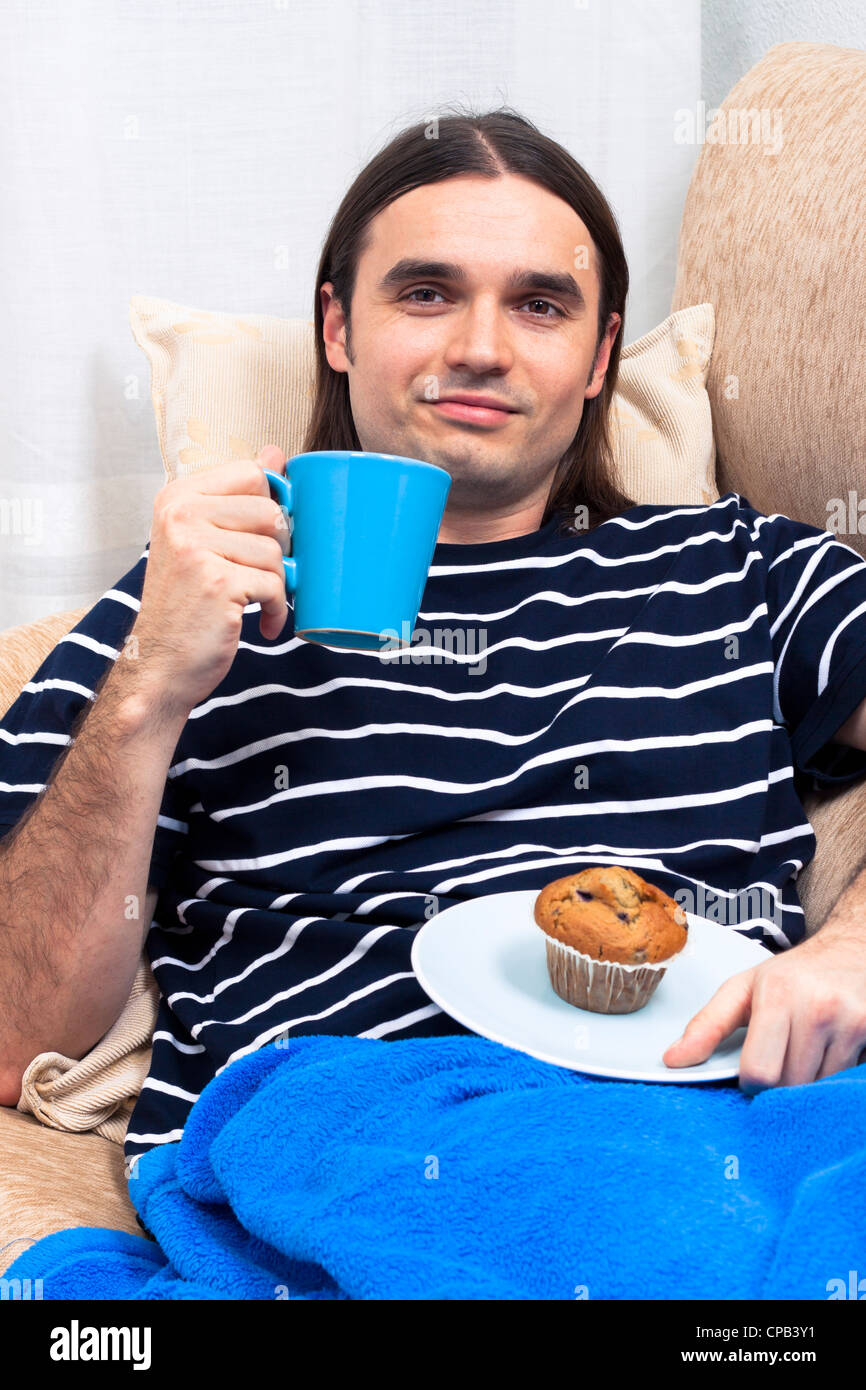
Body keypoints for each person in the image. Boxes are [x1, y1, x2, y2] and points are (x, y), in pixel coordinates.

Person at [2, 109, 866, 1182]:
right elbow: (15, 1033)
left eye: (538, 305)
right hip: (346, 1139)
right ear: (336, 329)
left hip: (716, 1129)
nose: (477, 347)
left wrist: (850, 946)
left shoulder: (737, 570)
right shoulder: (181, 603)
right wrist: (145, 695)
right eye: (425, 292)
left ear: (599, 357)